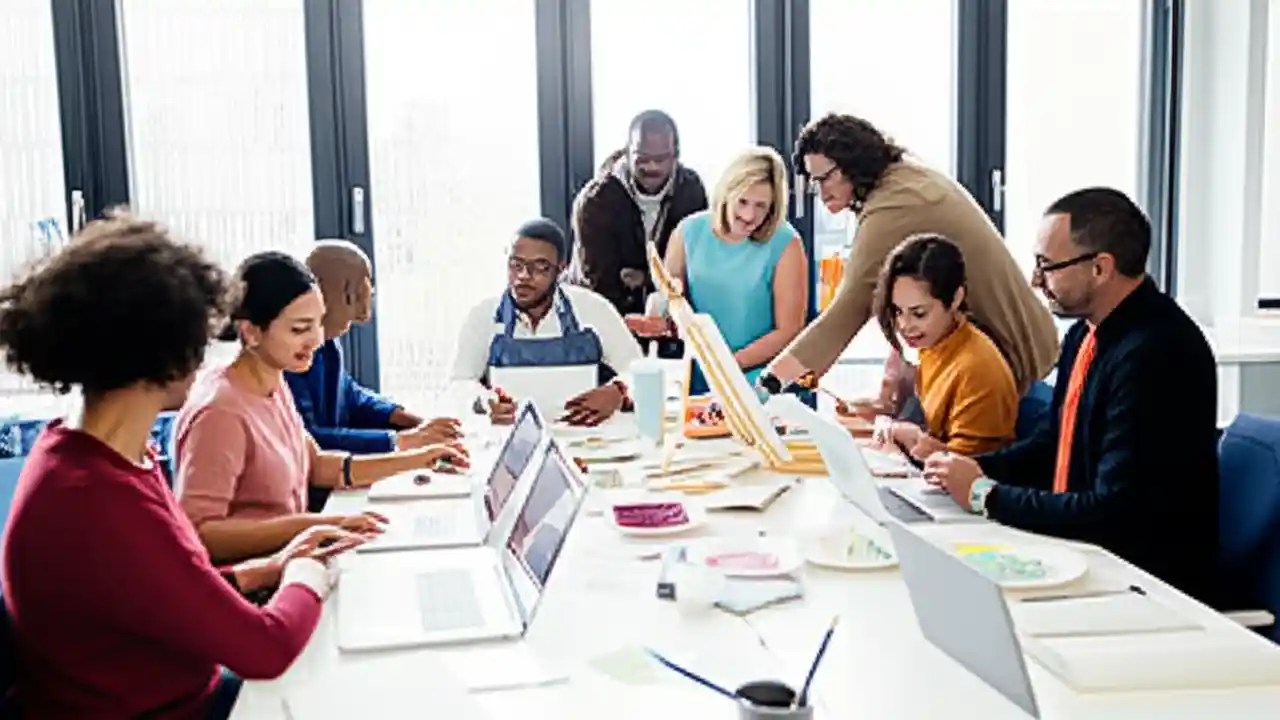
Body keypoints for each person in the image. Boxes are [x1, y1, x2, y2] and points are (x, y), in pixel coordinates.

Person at [0, 211, 365, 718]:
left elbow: (165, 587)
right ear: (160, 351)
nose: (204, 357)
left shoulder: (87, 453)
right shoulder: (98, 500)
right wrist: (306, 571)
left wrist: (273, 567)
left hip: (175, 687)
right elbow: (266, 649)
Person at [923, 188, 1218, 603]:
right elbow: (1051, 447)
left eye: (1047, 266)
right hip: (1079, 554)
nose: (1035, 280)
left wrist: (984, 494)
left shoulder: (1158, 351)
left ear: (1100, 268)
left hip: (1139, 584)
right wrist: (965, 468)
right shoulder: (1085, 334)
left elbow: (1114, 514)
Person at [175, 252, 469, 564]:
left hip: (291, 563)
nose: (315, 340)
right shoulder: (221, 412)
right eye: (300, 329)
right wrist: (322, 524)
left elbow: (316, 464)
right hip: (252, 588)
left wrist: (419, 459)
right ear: (251, 332)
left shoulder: (274, 380)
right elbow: (200, 534)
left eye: (317, 323)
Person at [761, 113, 1057, 412]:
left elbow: (846, 312)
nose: (821, 192)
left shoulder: (893, 207)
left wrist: (766, 387)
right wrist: (890, 392)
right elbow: (902, 301)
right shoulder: (905, 179)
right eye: (814, 182)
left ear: (854, 165)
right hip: (1008, 351)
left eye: (826, 178)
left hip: (1009, 361)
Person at [284, 240, 460, 510]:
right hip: (311, 498)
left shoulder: (328, 344)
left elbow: (349, 395)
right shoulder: (289, 356)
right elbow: (309, 440)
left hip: (340, 480)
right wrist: (400, 442)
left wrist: (405, 419)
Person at [642, 146, 809, 395]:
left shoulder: (786, 243)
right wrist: (663, 312)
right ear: (726, 193)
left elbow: (788, 330)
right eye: (742, 201)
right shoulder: (688, 232)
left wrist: (729, 366)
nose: (748, 215)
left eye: (761, 206)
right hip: (697, 375)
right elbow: (672, 305)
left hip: (760, 379)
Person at [449, 218, 642, 427]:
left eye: (540, 267)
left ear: (561, 270)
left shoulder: (592, 309)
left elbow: (640, 371)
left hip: (588, 439)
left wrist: (619, 391)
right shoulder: (483, 315)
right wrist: (483, 402)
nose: (523, 276)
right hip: (509, 439)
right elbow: (459, 385)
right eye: (516, 264)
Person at [869, 234, 1019, 458]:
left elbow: (967, 469)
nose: (904, 325)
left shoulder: (976, 368)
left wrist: (908, 438)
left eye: (919, 313)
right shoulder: (935, 342)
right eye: (898, 311)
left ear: (956, 298)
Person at [570, 110, 708, 332]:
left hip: (665, 317)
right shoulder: (595, 201)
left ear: (676, 155)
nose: (651, 167)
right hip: (597, 313)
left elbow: (692, 267)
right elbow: (600, 281)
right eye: (642, 158)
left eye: (661, 159)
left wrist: (644, 279)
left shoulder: (691, 191)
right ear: (627, 152)